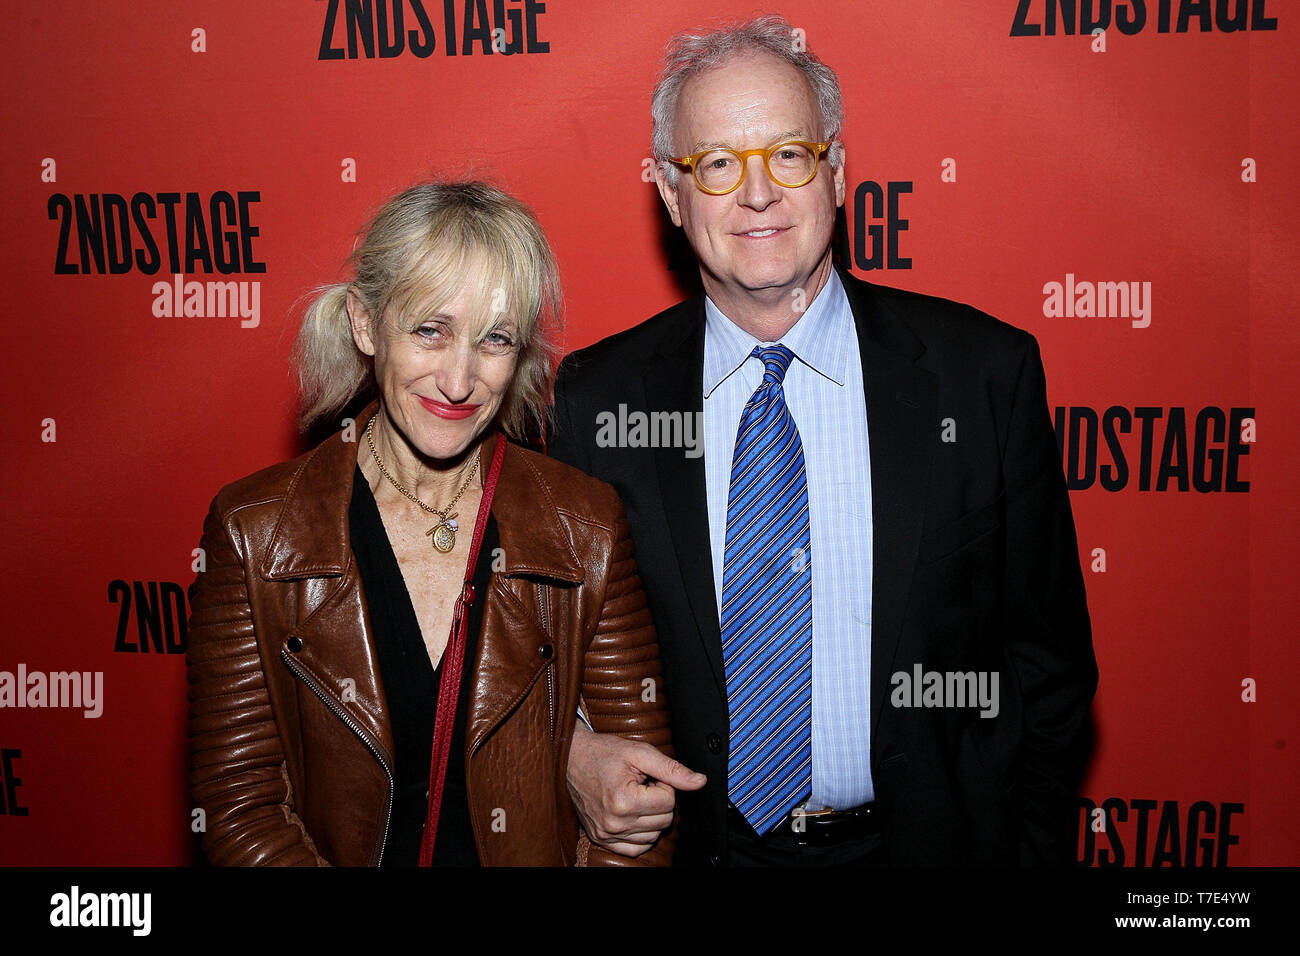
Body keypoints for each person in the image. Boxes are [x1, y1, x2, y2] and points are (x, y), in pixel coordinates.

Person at [552, 15, 1098, 866]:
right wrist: (573, 750)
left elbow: (1049, 671)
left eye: (789, 154)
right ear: (669, 191)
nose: (758, 193)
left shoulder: (982, 376)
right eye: (719, 163)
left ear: (836, 172)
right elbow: (545, 650)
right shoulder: (596, 400)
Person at [185, 180, 679, 866]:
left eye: (494, 339)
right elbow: (239, 809)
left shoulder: (585, 527)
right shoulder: (257, 532)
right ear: (364, 323)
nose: (458, 380)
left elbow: (639, 803)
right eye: (429, 330)